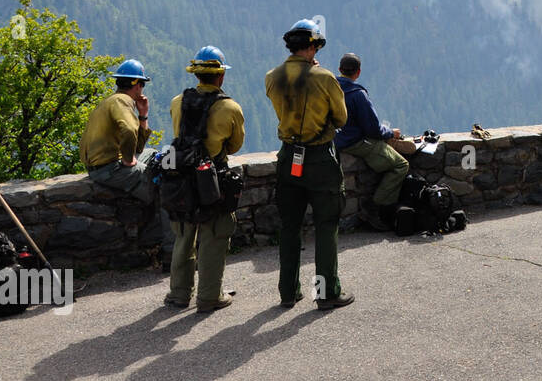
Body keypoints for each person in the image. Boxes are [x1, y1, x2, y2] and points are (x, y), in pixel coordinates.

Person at [265, 19, 352, 310]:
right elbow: (341, 119)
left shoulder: (272, 77)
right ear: (313, 46)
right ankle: (325, 293)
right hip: (319, 158)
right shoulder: (324, 78)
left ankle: (288, 292)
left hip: (288, 157)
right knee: (326, 225)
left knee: (290, 226)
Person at [164, 46, 245, 313]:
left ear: (196, 75)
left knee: (184, 234)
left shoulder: (178, 102)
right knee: (214, 234)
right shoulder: (230, 107)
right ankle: (209, 296)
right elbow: (234, 146)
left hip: (181, 176)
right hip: (212, 177)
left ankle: (178, 294)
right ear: (220, 76)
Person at [335, 52, 411, 230]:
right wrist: (391, 133)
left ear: (339, 70)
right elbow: (373, 129)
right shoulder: (358, 94)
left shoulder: (331, 88)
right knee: (401, 165)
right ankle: (374, 209)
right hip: (355, 141)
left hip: (335, 139)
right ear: (358, 72)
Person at [79, 59, 156, 202]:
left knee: (152, 154)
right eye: (143, 84)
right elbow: (128, 130)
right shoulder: (122, 101)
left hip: (99, 168)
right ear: (138, 85)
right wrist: (128, 160)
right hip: (109, 170)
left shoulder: (111, 100)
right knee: (159, 181)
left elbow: (138, 148)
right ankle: (164, 220)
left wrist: (143, 114)